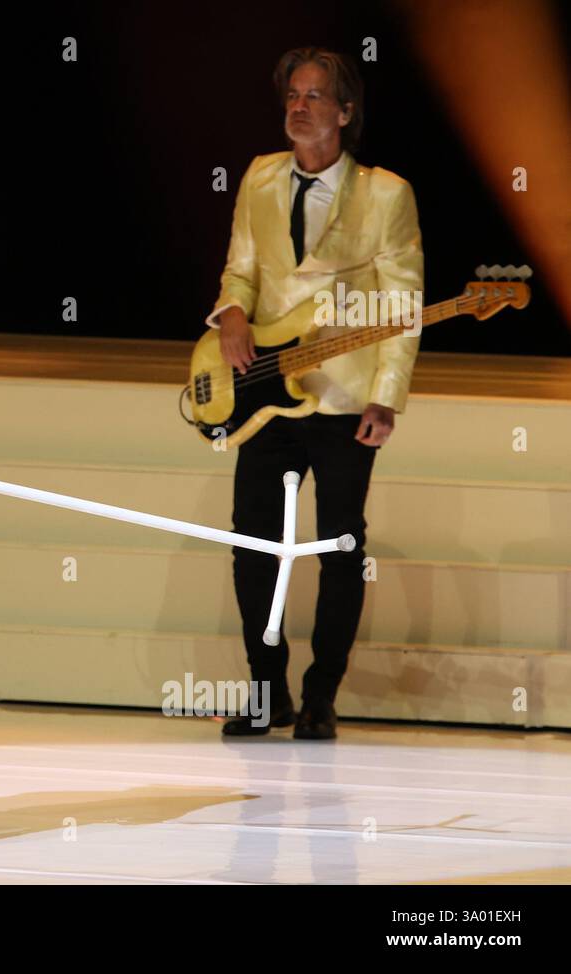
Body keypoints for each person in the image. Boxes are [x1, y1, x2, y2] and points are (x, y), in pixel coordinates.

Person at [208, 47, 423, 740]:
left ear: (345, 112)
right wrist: (232, 314)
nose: (300, 107)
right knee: (253, 544)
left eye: (316, 96)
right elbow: (240, 270)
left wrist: (386, 396)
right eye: (292, 95)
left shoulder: (385, 193)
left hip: (343, 399)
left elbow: (404, 304)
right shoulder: (260, 177)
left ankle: (321, 693)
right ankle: (267, 690)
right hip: (267, 394)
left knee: (339, 547)